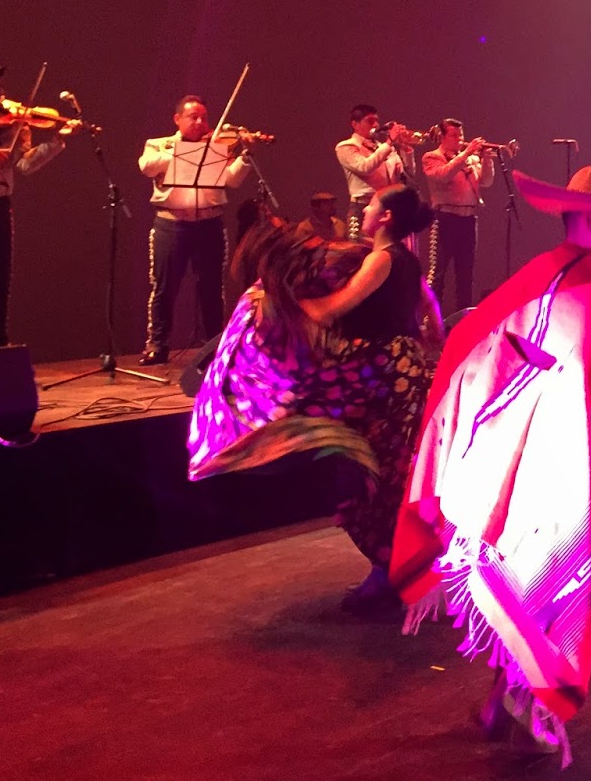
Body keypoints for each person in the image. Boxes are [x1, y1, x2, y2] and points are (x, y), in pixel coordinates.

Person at [391, 166, 591, 762]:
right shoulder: (568, 274)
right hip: (548, 440)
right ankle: (516, 692)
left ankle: (510, 691)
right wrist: (514, 400)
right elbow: (483, 333)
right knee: (546, 563)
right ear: (575, 214)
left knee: (556, 565)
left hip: (576, 422)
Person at [187, 184, 442, 611]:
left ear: (387, 218)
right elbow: (428, 305)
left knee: (370, 475)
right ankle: (398, 572)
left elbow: (331, 310)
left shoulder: (380, 258)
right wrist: (425, 330)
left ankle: (390, 577)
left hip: (378, 373)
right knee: (382, 472)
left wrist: (273, 299)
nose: (365, 207)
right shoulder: (402, 258)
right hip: (399, 370)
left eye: (373, 204)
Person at [139, 95, 253, 365]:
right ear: (177, 119)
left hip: (210, 224)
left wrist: (245, 156)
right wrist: (181, 151)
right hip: (171, 224)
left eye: (204, 117)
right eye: (194, 117)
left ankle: (213, 345)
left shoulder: (215, 147)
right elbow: (146, 167)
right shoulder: (158, 144)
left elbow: (232, 180)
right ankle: (157, 344)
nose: (201, 122)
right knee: (164, 287)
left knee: (212, 289)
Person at [0, 60, 72, 347]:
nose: (1, 93)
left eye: (2, 85)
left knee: (0, 277)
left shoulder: (13, 120)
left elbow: (25, 164)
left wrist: (57, 140)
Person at [423, 118, 496, 312]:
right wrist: (466, 153)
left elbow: (486, 182)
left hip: (469, 220)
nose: (459, 139)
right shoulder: (431, 157)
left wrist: (487, 160)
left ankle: (462, 321)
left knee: (466, 274)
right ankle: (432, 321)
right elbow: (444, 175)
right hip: (445, 219)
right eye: (454, 135)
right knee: (438, 274)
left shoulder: (470, 159)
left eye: (461, 135)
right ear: (442, 137)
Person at [335, 104, 415, 238]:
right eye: (370, 121)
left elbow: (407, 173)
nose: (376, 125)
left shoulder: (383, 148)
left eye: (377, 120)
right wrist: (389, 142)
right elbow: (365, 168)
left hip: (387, 206)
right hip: (363, 207)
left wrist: (404, 147)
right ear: (355, 124)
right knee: (360, 252)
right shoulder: (346, 146)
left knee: (387, 251)